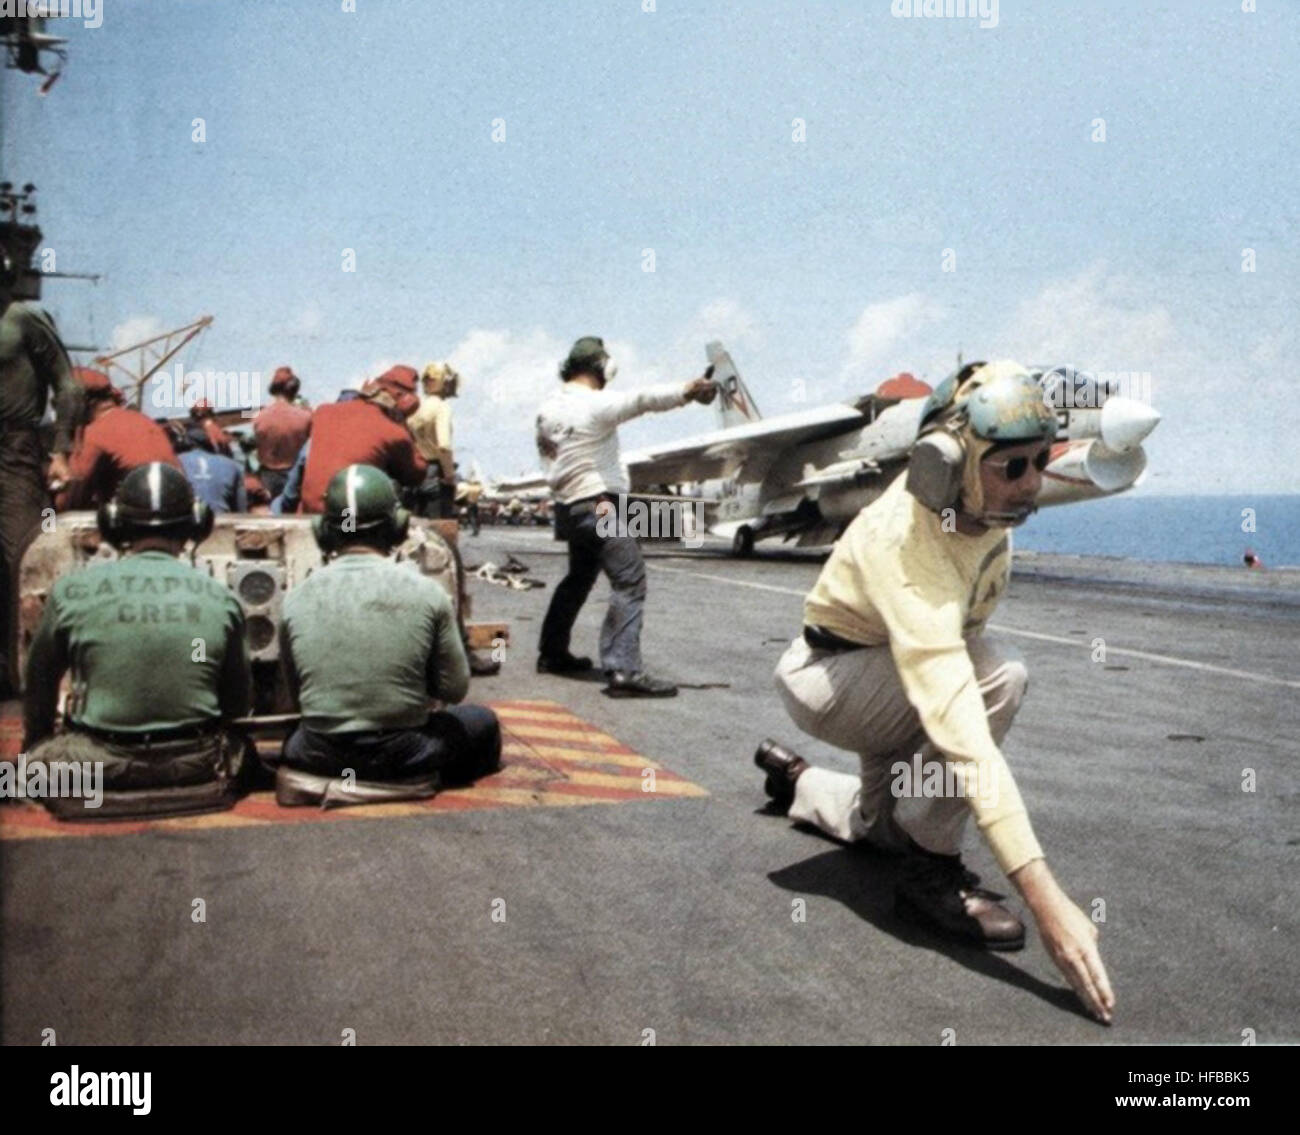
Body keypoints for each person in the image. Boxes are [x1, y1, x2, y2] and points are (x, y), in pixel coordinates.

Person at [756, 361, 1116, 1024]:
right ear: (945, 462)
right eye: (1013, 466)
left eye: (1041, 459)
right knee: (998, 676)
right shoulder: (908, 531)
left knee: (881, 824)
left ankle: (801, 782)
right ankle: (930, 869)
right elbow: (957, 716)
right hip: (832, 676)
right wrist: (1046, 898)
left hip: (883, 671)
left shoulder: (979, 510)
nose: (1033, 482)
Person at [23, 462, 251, 815]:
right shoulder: (220, 598)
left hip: (95, 765)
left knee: (17, 773)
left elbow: (39, 683)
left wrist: (35, 746)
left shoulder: (72, 591)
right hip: (197, 763)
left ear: (114, 522)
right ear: (196, 522)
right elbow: (237, 705)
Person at [274, 464, 500, 807]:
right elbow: (455, 688)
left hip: (320, 753)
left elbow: (296, 696)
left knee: (293, 738)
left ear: (323, 530)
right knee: (483, 722)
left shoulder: (294, 599)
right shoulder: (429, 593)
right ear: (398, 526)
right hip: (405, 753)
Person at [535, 335, 716, 697]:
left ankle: (552, 653)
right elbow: (643, 400)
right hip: (600, 504)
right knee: (630, 580)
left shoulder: (548, 409)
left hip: (568, 507)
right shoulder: (595, 404)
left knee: (578, 579)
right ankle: (624, 671)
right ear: (603, 367)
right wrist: (687, 391)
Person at [0, 258, 79, 695]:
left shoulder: (24, 319)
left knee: (23, 561)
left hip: (15, 452)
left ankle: (30, 680)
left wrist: (61, 451)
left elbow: (68, 385)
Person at [297, 367, 426, 514]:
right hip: (348, 522)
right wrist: (402, 422)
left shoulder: (323, 412)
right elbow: (417, 474)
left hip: (312, 515)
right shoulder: (393, 432)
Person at [57, 368, 180, 510]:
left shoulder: (95, 432)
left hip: (137, 519)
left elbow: (70, 500)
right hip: (175, 514)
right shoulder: (144, 420)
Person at [408, 361, 460, 519]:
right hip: (436, 472)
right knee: (439, 531)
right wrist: (449, 475)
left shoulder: (415, 408)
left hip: (414, 472)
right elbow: (444, 445)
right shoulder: (442, 407)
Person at [252, 366, 312, 500]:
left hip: (266, 479)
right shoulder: (306, 416)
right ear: (293, 388)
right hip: (294, 479)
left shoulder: (258, 416)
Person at [173, 422, 247, 514]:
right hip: (222, 521)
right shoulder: (231, 464)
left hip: (188, 523)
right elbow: (242, 510)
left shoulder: (174, 463)